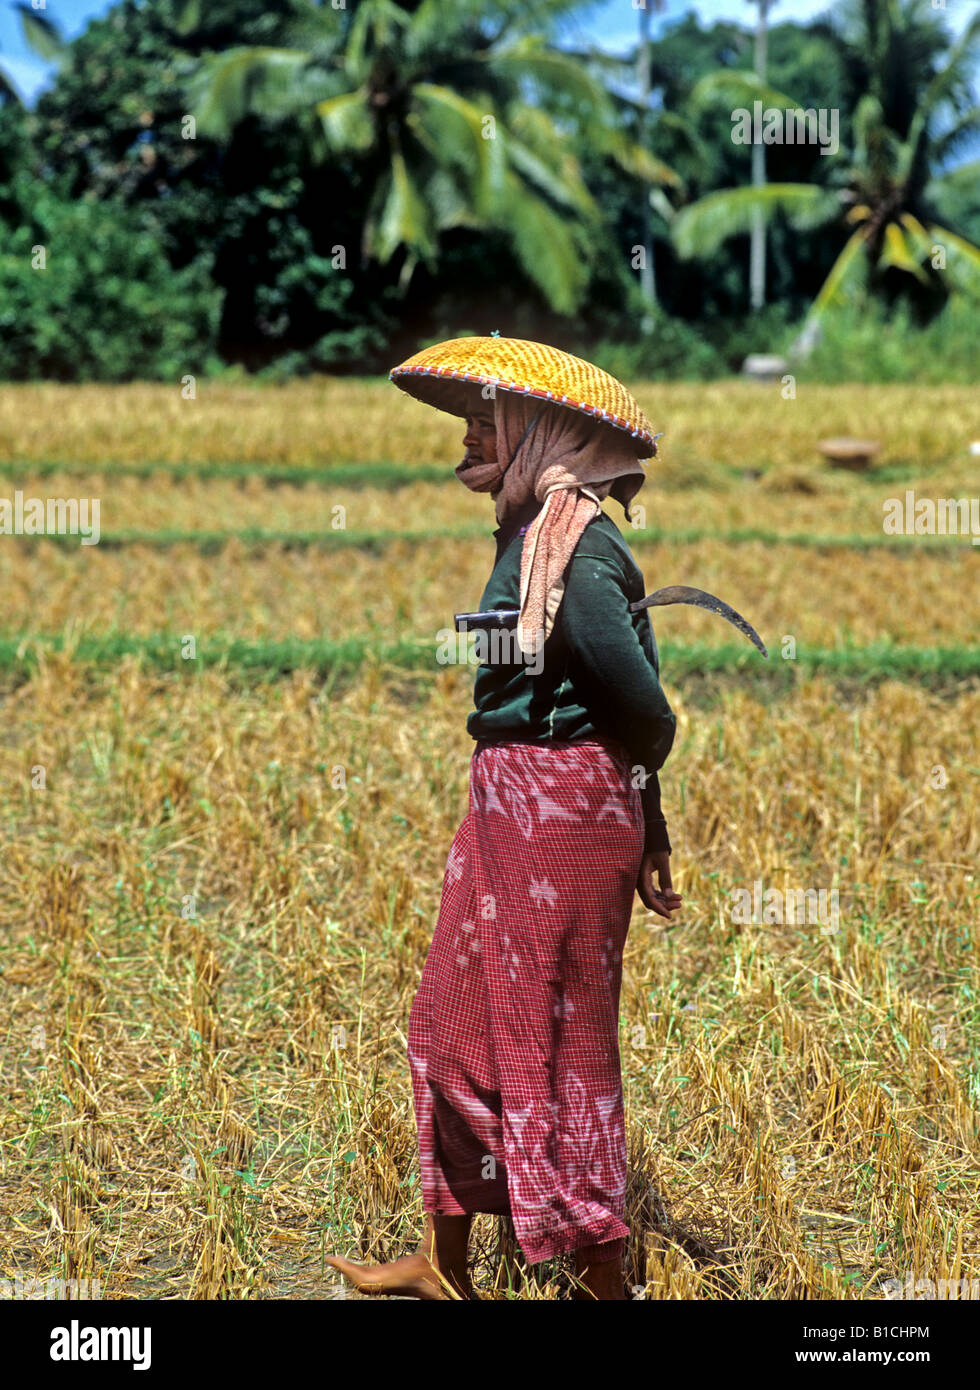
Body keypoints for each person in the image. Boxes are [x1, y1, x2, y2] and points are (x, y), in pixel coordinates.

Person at [326, 339, 681, 1301]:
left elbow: (642, 712)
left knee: (554, 1041)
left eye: (491, 420)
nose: (473, 435)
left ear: (542, 434)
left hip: (563, 818)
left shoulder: (583, 547)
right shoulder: (527, 536)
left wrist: (648, 830)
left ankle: (601, 1276)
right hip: (504, 803)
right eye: (474, 419)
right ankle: (441, 1269)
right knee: (450, 1023)